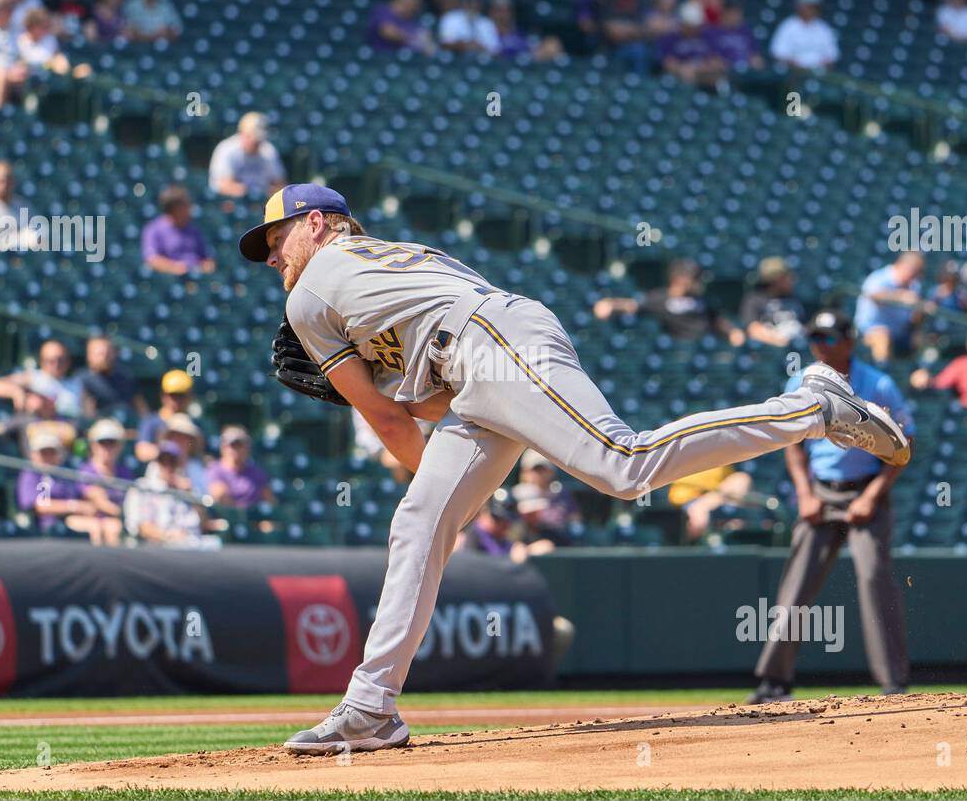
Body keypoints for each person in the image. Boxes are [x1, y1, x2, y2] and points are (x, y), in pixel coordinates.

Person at [239, 183, 910, 753]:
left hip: (487, 345)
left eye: (277, 237)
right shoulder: (393, 260)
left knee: (623, 465)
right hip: (482, 357)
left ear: (317, 222)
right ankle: (371, 706)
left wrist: (401, 427)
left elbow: (392, 422)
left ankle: (811, 406)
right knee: (419, 523)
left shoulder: (308, 299)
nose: (271, 255)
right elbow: (439, 397)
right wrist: (441, 493)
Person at [749, 310, 913, 704]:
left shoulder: (878, 384)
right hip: (821, 494)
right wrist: (805, 493)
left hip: (865, 492)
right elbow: (792, 444)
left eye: (828, 338)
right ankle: (774, 682)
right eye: (815, 338)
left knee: (875, 580)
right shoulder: (801, 381)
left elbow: (905, 446)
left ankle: (894, 683)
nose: (820, 345)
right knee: (796, 586)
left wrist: (872, 496)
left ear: (849, 341)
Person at [593, 259, 746, 344]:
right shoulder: (660, 298)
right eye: (693, 278)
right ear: (678, 278)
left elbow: (716, 320)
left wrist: (732, 331)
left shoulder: (702, 300)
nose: (696, 282)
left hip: (702, 345)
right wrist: (611, 304)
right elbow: (634, 306)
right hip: (677, 348)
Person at [0, 339, 85, 421]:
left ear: (68, 361)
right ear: (42, 360)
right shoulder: (33, 377)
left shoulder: (76, 385)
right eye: (51, 360)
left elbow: (88, 415)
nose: (56, 364)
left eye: (60, 360)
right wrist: (16, 392)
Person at [853, 250, 925, 363]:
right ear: (904, 266)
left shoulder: (913, 286)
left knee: (923, 340)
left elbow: (913, 320)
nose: (917, 278)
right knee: (882, 336)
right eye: (915, 273)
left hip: (901, 335)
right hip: (869, 330)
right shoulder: (881, 277)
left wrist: (921, 311)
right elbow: (874, 296)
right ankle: (882, 371)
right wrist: (900, 296)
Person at [208, 113, 287, 200]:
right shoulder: (227, 149)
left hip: (262, 201)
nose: (257, 143)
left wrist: (264, 192)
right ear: (242, 134)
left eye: (259, 139)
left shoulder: (268, 150)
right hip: (232, 201)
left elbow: (280, 184)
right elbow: (223, 186)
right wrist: (250, 191)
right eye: (253, 137)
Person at [667, 464, 753, 541]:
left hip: (719, 504)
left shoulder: (726, 454)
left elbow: (739, 483)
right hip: (684, 506)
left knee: (741, 479)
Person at [142, 185, 215, 274]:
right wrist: (175, 268)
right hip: (169, 279)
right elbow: (152, 259)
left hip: (196, 277)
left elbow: (208, 261)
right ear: (175, 208)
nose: (190, 209)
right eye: (186, 205)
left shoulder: (194, 230)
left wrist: (203, 268)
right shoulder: (154, 229)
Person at [657, 1, 726, 92]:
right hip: (681, 77)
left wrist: (698, 68)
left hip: (703, 72)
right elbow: (668, 64)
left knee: (720, 77)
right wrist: (682, 68)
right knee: (686, 74)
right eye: (690, 26)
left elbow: (717, 61)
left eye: (696, 27)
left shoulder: (705, 37)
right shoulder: (671, 38)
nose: (693, 30)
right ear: (682, 24)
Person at [75, 334, 147, 420]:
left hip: (129, 425)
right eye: (100, 354)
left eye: (107, 353)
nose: (104, 357)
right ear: (89, 356)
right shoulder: (82, 379)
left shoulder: (126, 377)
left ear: (114, 353)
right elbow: (87, 415)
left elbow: (142, 409)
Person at [739, 257, 806, 347]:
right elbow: (753, 329)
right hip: (767, 353)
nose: (791, 280)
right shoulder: (754, 300)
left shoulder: (794, 299)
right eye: (787, 277)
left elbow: (805, 327)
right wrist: (781, 342)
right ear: (776, 280)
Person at [78, 417, 135, 522]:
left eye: (112, 442)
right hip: (98, 523)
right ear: (93, 445)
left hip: (123, 523)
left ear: (120, 446)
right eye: (102, 442)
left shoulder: (125, 472)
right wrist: (125, 515)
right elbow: (99, 501)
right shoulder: (87, 471)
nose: (107, 447)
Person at [769, 0, 838, 71]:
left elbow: (831, 57)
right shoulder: (788, 26)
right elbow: (778, 54)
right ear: (799, 6)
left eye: (814, 6)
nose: (811, 9)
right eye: (808, 6)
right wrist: (799, 66)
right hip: (792, 73)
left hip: (817, 74)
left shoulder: (824, 29)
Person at [136, 369, 198, 461]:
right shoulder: (152, 421)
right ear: (163, 395)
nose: (177, 400)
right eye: (173, 395)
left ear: (189, 397)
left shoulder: (194, 423)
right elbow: (141, 451)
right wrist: (170, 452)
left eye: (182, 395)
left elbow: (201, 453)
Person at [205, 425, 273, 508]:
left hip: (253, 517)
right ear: (223, 448)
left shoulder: (256, 472)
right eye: (232, 445)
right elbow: (219, 496)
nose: (235, 450)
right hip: (227, 516)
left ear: (247, 448)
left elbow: (270, 500)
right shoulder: (215, 470)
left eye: (239, 445)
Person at [367, 0, 434, 54]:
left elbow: (429, 47)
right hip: (380, 56)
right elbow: (388, 32)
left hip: (406, 57)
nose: (411, 8)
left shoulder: (411, 21)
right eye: (408, 3)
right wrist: (414, 38)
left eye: (414, 5)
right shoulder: (383, 11)